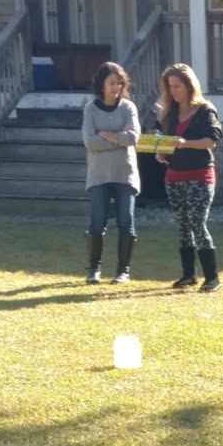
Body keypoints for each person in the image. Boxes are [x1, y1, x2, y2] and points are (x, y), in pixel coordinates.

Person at [152, 64, 223, 291]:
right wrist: (160, 151)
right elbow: (164, 140)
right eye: (170, 86)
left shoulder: (204, 110)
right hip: (174, 175)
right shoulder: (169, 112)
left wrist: (185, 143)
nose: (173, 91)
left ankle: (212, 278)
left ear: (189, 85)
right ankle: (188, 275)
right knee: (183, 225)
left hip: (200, 174)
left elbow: (211, 141)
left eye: (177, 86)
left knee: (197, 222)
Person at [81, 62, 140, 284]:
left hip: (125, 174)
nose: (116, 87)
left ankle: (123, 270)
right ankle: (93, 269)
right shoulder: (91, 109)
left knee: (126, 221)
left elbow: (133, 137)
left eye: (119, 83)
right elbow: (90, 142)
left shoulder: (128, 108)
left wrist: (105, 134)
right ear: (102, 85)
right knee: (97, 222)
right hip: (99, 175)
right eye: (111, 83)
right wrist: (118, 139)